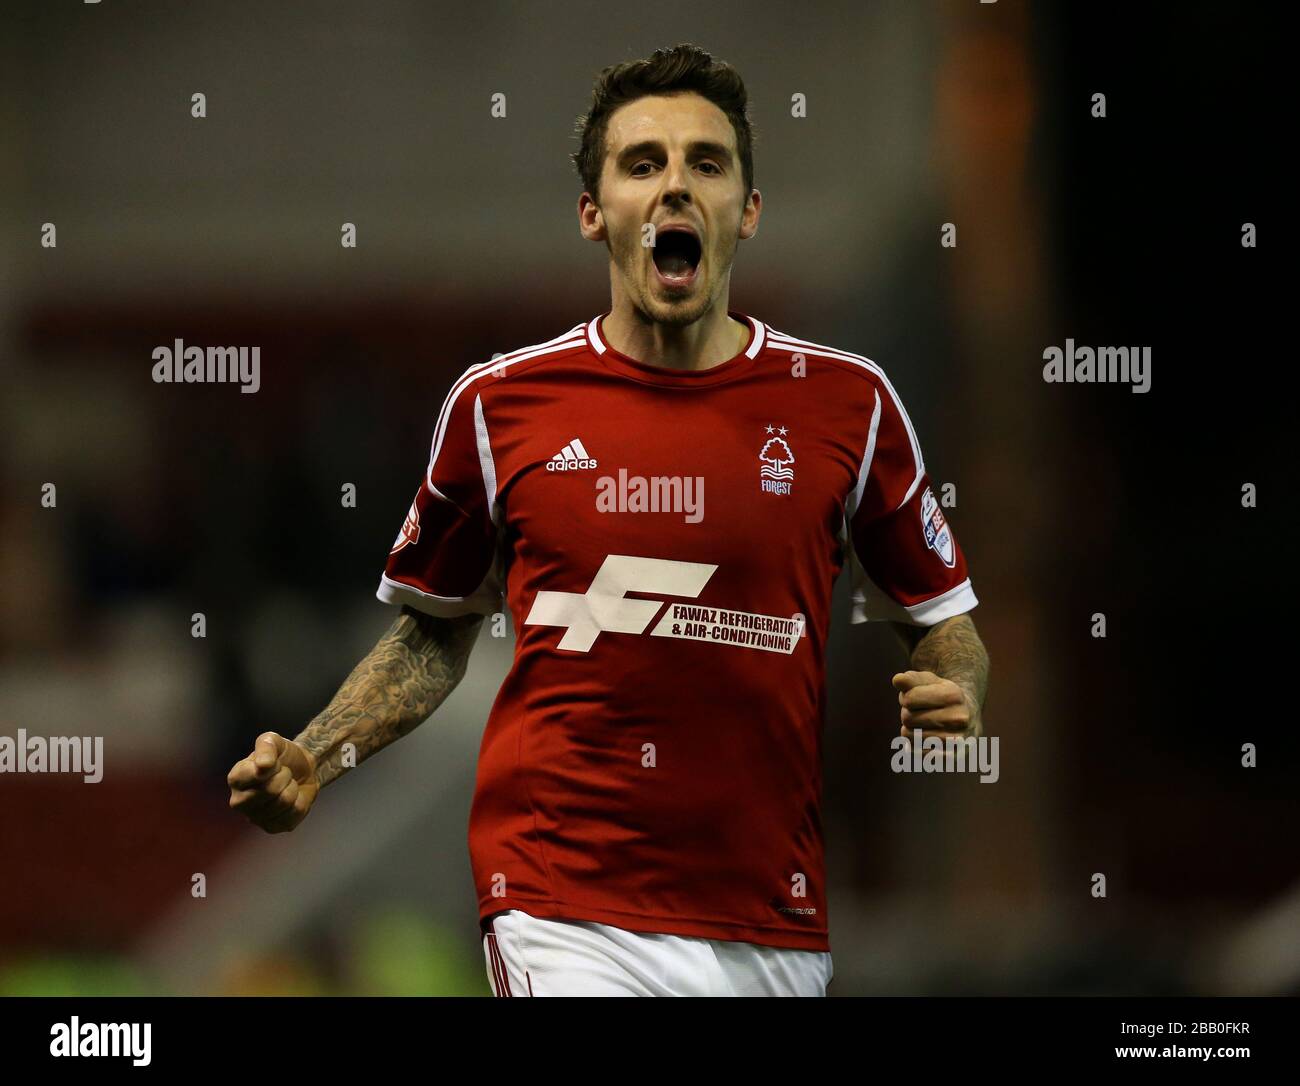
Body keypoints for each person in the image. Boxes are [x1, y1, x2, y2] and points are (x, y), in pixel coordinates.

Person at [227, 42, 989, 997]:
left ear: (747, 212)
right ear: (595, 215)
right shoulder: (500, 407)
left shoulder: (848, 405)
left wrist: (960, 687)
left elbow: (947, 624)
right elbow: (431, 638)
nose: (675, 187)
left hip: (771, 920)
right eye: (644, 164)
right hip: (563, 903)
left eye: (705, 164)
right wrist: (315, 752)